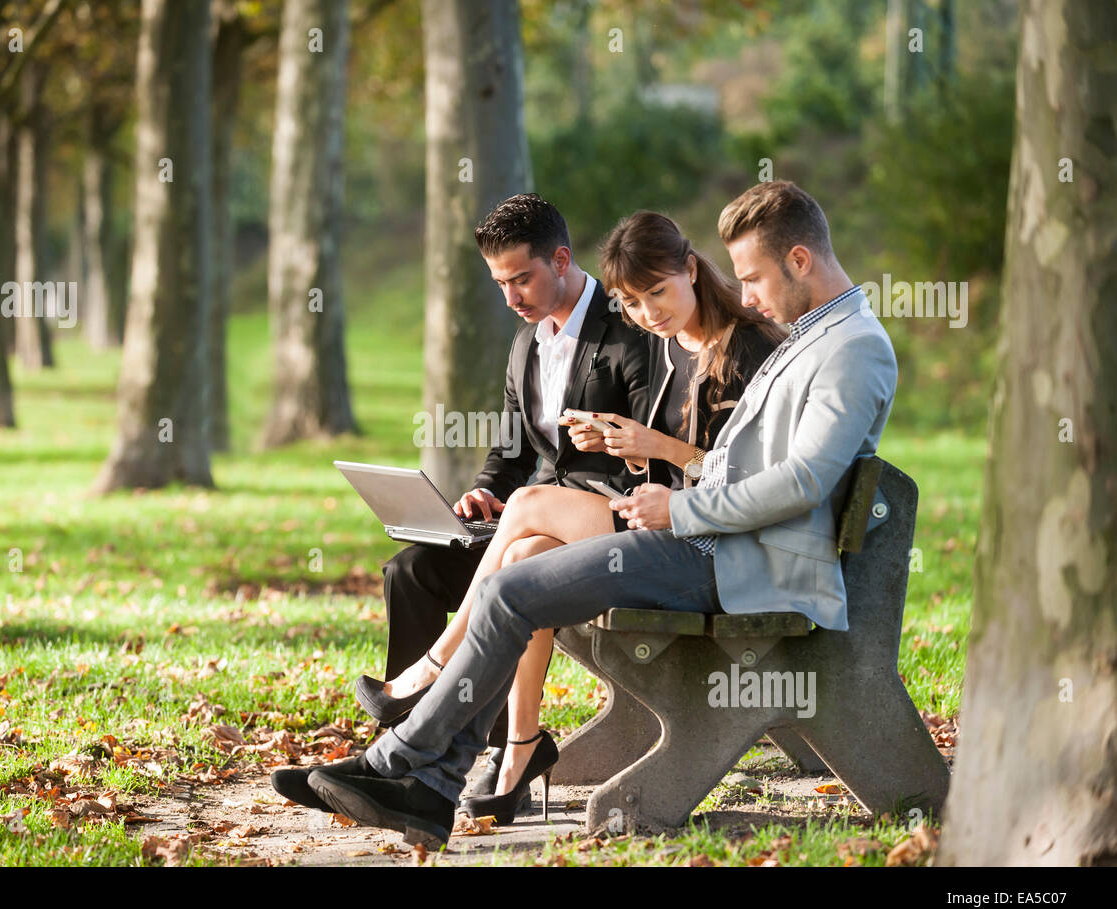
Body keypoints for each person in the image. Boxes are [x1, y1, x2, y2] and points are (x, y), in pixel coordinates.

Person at [299, 180, 899, 849]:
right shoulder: (811, 336)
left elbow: (805, 483)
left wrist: (682, 505)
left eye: (754, 277)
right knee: (508, 583)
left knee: (512, 587)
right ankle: (421, 776)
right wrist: (684, 492)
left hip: (739, 562)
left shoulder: (853, 347)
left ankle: (411, 772)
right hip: (712, 542)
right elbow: (747, 463)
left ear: (799, 260)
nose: (748, 296)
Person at [342, 211, 786, 824]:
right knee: (484, 560)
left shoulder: (683, 343)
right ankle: (518, 748)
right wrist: (484, 493)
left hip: (669, 530)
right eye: (634, 301)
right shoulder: (647, 340)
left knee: (526, 510)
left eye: (655, 293)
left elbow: (720, 473)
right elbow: (513, 451)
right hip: (626, 519)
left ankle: (432, 673)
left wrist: (640, 447)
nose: (647, 311)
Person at [273, 194, 652, 812]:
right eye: (500, 283)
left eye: (521, 279)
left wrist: (551, 492)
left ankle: (435, 732)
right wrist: (484, 493)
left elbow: (649, 455)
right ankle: (400, 750)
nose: (511, 298)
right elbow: (511, 454)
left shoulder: (630, 329)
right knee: (413, 571)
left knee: (521, 563)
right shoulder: (527, 346)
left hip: (601, 527)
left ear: (561, 260)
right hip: (528, 516)